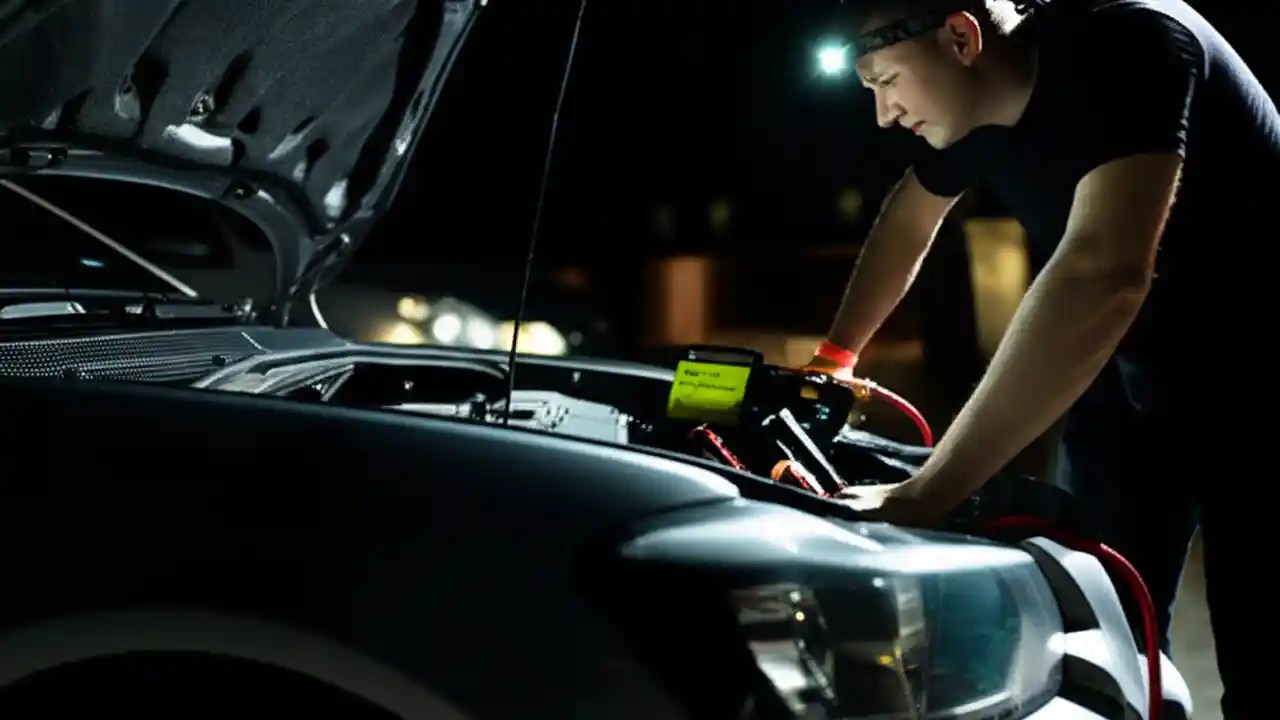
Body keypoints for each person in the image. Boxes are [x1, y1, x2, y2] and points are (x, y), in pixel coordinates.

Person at [806, 0, 1275, 715]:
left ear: (961, 37)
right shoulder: (975, 105)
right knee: (1106, 641)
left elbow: (1103, 273)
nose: (884, 114)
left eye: (885, 81)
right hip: (1130, 376)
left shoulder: (1135, 44)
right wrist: (833, 358)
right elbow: (909, 217)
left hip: (1260, 373)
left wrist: (929, 492)